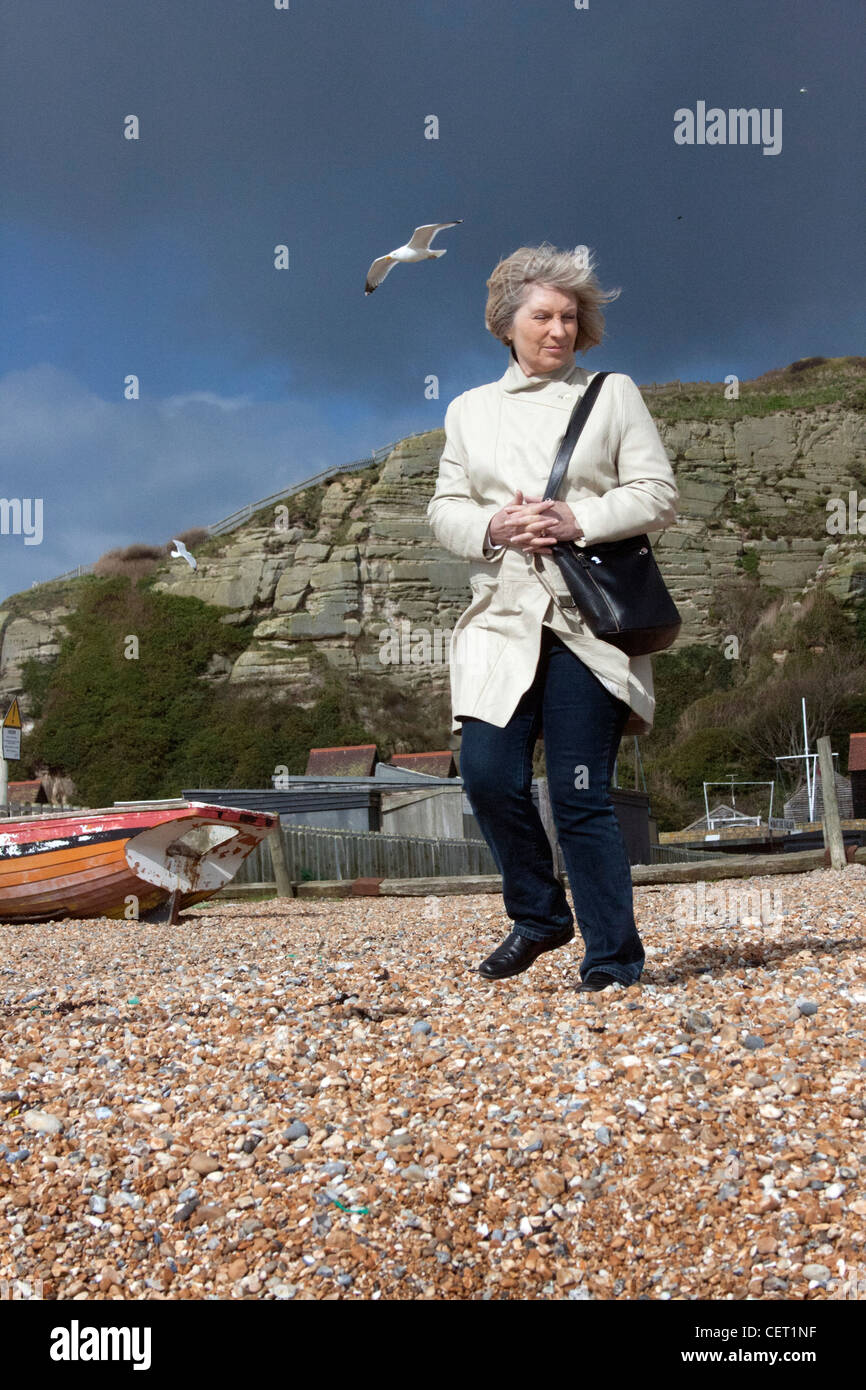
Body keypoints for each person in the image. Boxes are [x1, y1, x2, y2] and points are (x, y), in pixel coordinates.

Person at [426, 243, 678, 991]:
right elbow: (444, 508)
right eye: (543, 316)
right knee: (488, 775)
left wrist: (576, 517)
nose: (559, 330)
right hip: (502, 620)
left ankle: (613, 961)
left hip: (588, 626)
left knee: (577, 793)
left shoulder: (613, 391)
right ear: (507, 322)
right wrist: (494, 528)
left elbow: (657, 494)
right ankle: (539, 912)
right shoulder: (469, 409)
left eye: (571, 317)